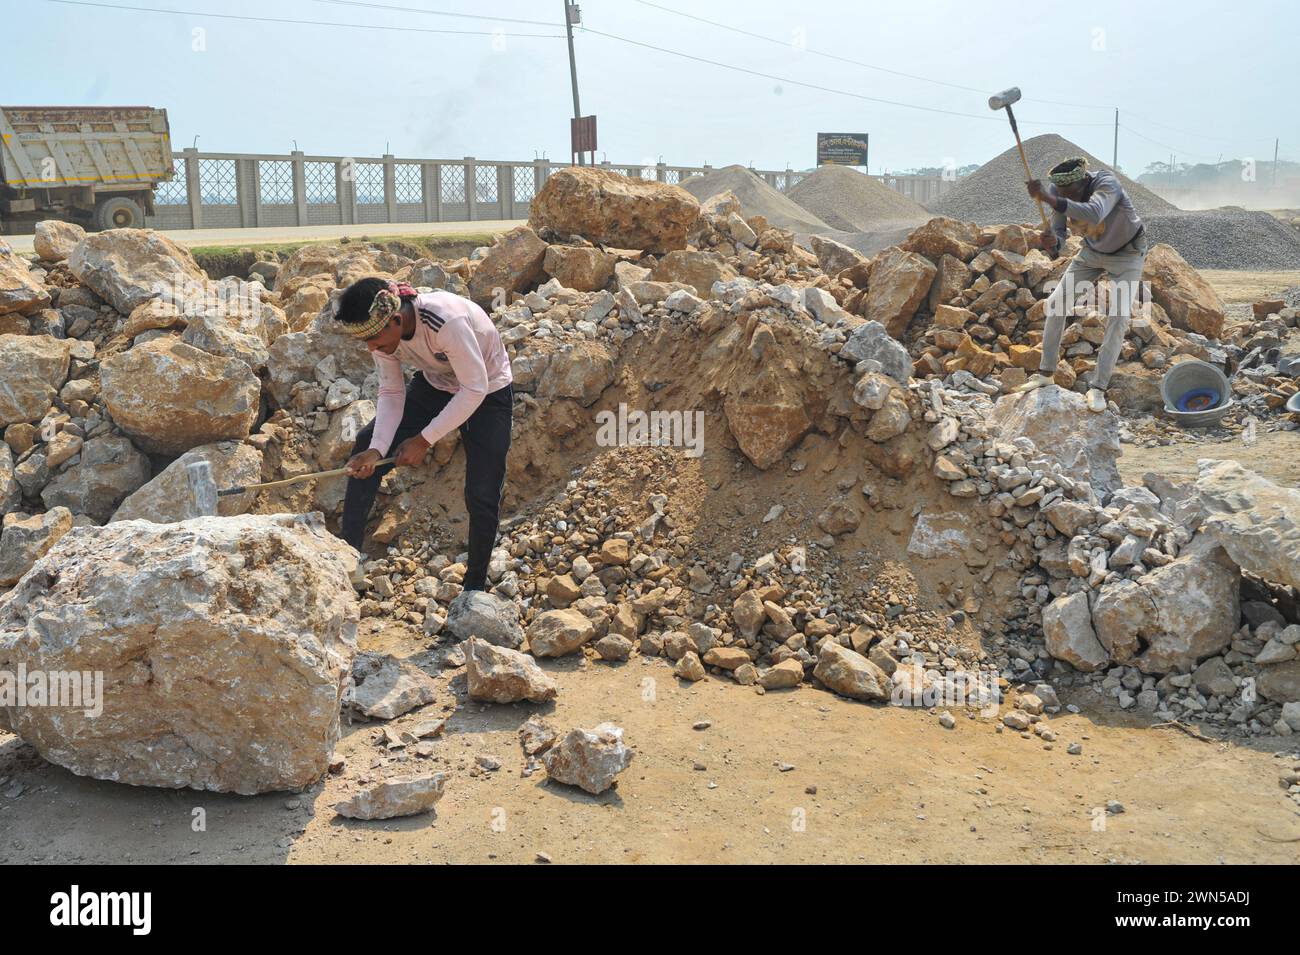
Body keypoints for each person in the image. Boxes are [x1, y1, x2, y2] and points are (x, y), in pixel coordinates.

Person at [331, 277, 513, 591]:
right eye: (367, 342)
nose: (373, 348)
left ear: (397, 320)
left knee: (482, 491)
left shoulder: (446, 321)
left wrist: (424, 439)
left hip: (487, 388)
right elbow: (390, 390)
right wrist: (377, 450)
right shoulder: (383, 330)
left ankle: (474, 588)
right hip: (437, 383)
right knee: (365, 443)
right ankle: (348, 563)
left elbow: (474, 388)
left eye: (375, 339)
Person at [1017, 156, 1149, 411]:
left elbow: (1094, 212)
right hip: (1091, 252)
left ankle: (1098, 388)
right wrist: (1052, 242)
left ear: (1084, 181)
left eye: (1073, 193)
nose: (1070, 198)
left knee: (1119, 317)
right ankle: (1046, 373)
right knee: (1056, 303)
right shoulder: (1057, 192)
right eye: (1062, 194)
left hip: (1127, 253)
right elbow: (1060, 237)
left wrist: (1048, 198)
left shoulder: (1106, 184)